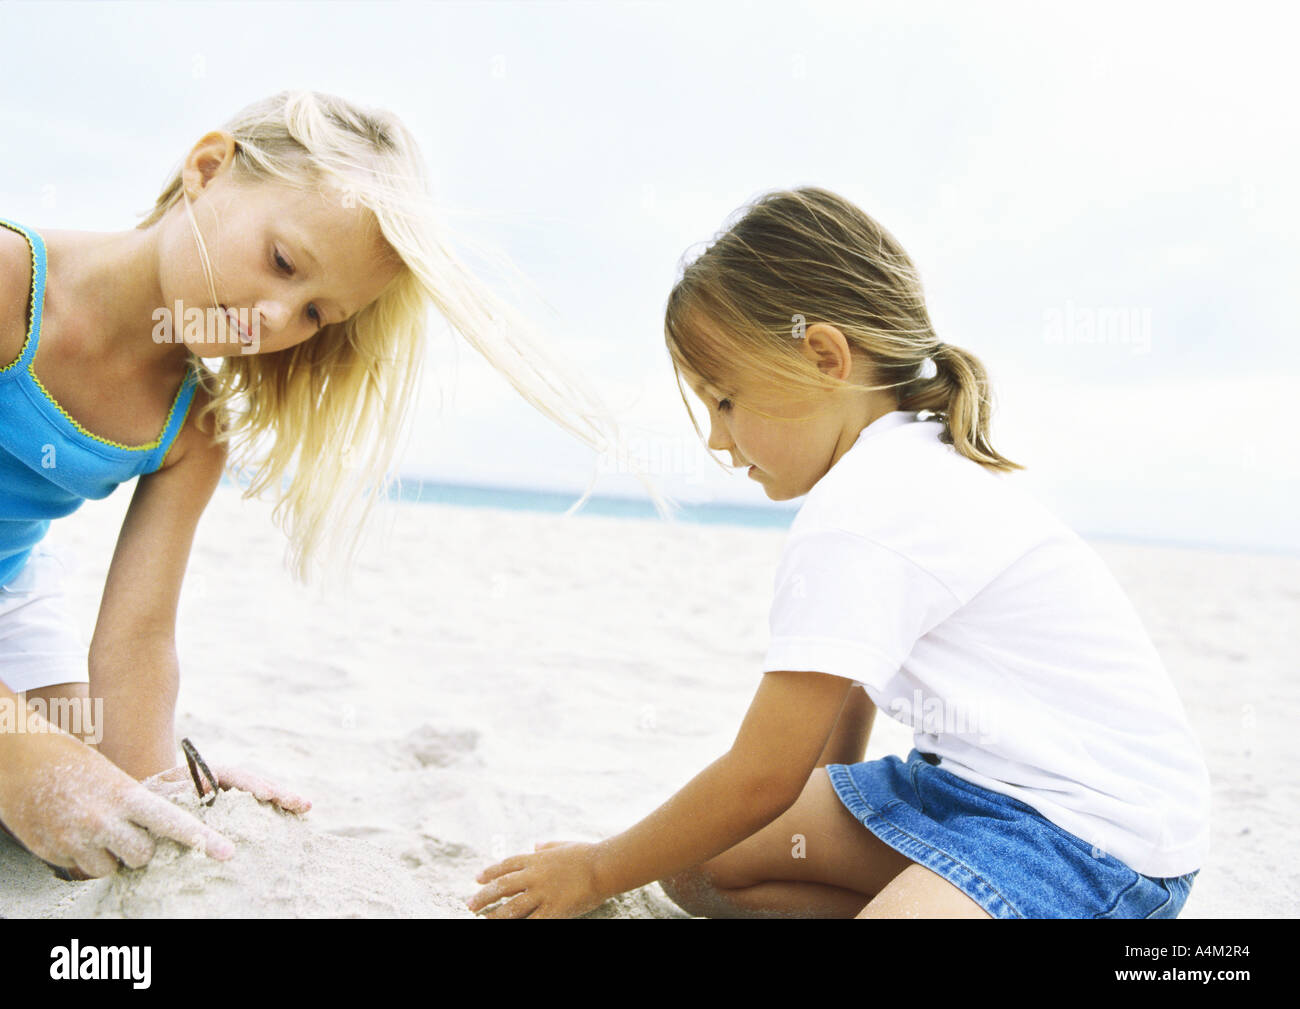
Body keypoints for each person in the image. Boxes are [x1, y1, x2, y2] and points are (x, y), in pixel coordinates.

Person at [467, 187, 1210, 919]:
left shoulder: (866, 504)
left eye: (725, 400)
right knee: (696, 860)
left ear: (825, 355)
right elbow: (847, 684)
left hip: (1085, 839)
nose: (716, 441)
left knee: (697, 835)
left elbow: (762, 777)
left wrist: (596, 868)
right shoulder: (897, 465)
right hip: (955, 794)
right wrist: (807, 826)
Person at [0, 90, 633, 879]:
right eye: (283, 261)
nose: (272, 317)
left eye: (314, 313)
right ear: (207, 169)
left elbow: (136, 640)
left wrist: (163, 790)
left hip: (11, 594)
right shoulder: (10, 280)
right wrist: (18, 750)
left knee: (99, 821)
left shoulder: (194, 424)